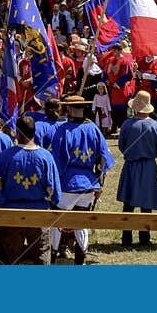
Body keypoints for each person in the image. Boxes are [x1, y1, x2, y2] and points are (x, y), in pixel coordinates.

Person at [47, 94, 114, 260]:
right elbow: (104, 158)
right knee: (81, 223)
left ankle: (54, 255)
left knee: (56, 223)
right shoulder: (94, 129)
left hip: (67, 183)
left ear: (69, 109)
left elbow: (58, 160)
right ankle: (80, 260)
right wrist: (99, 180)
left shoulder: (63, 130)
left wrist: (53, 182)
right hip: (88, 183)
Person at [0, 116, 60, 264]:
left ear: (17, 133)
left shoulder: (6, 156)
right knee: (41, 257)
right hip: (39, 214)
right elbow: (54, 192)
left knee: (10, 258)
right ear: (34, 132)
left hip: (11, 214)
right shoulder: (46, 157)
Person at [116, 90, 157, 247]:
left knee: (128, 204)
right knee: (147, 204)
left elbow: (121, 145)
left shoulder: (127, 124)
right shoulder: (156, 126)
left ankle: (126, 237)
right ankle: (145, 237)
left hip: (131, 165)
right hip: (149, 166)